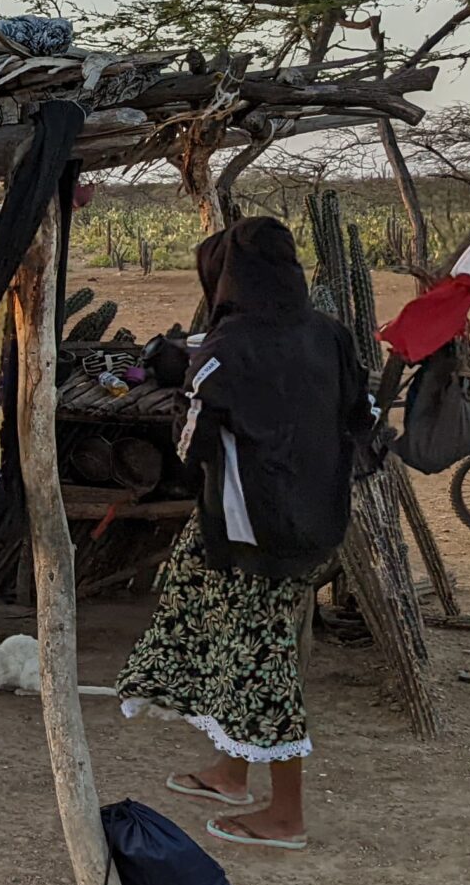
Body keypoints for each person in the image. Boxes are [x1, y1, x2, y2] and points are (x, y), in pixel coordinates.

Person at [116, 218, 375, 850]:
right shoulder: (331, 336)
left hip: (250, 530)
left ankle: (285, 815)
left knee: (264, 661)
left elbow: (191, 443)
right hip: (310, 523)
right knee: (198, 598)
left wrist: (182, 380)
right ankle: (231, 771)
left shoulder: (227, 346)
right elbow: (360, 419)